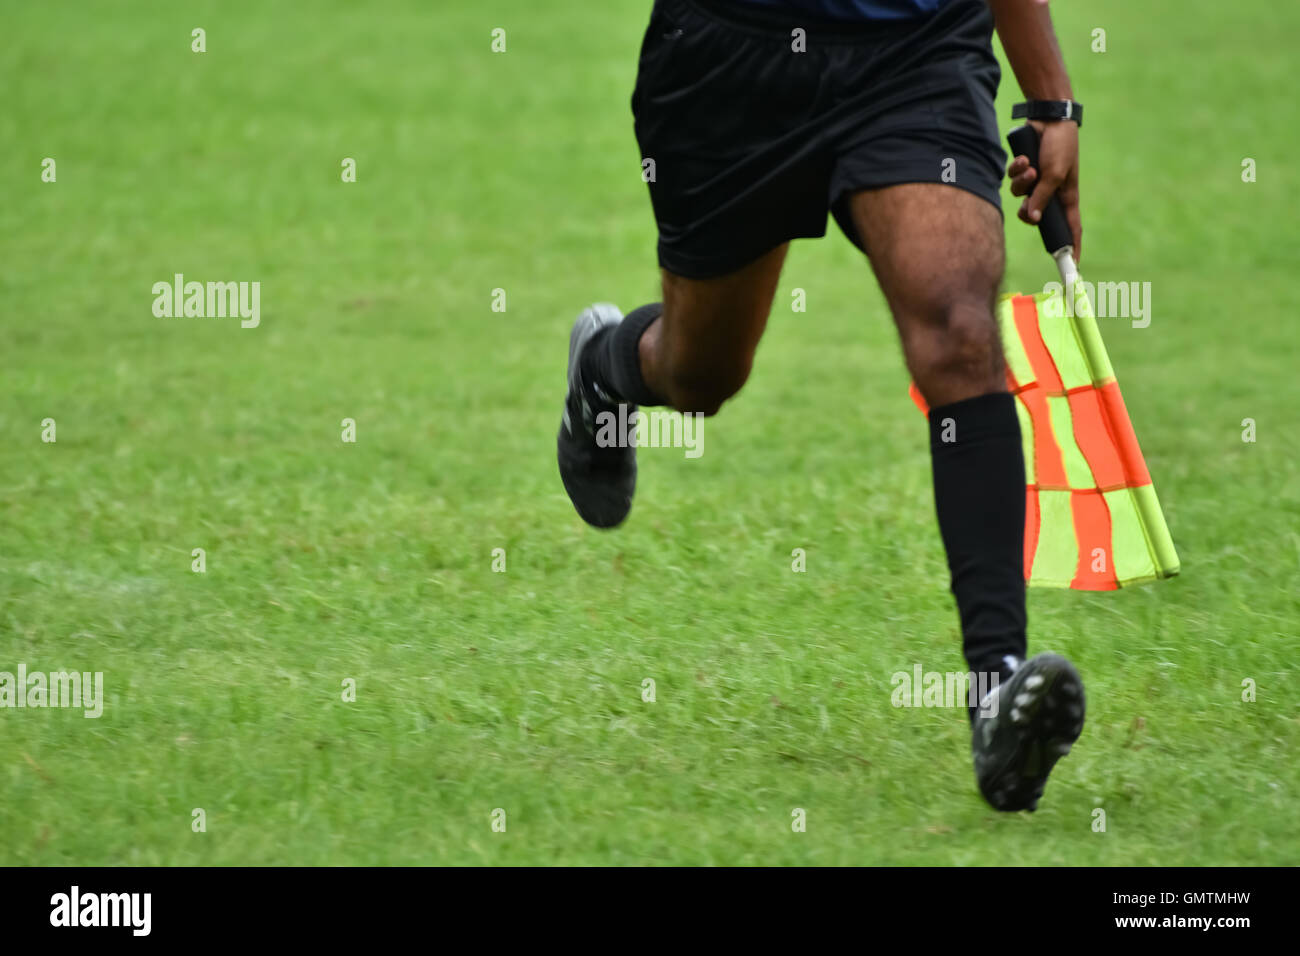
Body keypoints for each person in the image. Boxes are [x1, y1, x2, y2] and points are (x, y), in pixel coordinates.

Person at [557, 0, 1086, 811]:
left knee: (960, 334)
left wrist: (1050, 101)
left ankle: (997, 692)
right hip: (729, 52)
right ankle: (605, 368)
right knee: (703, 374)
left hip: (913, 51)